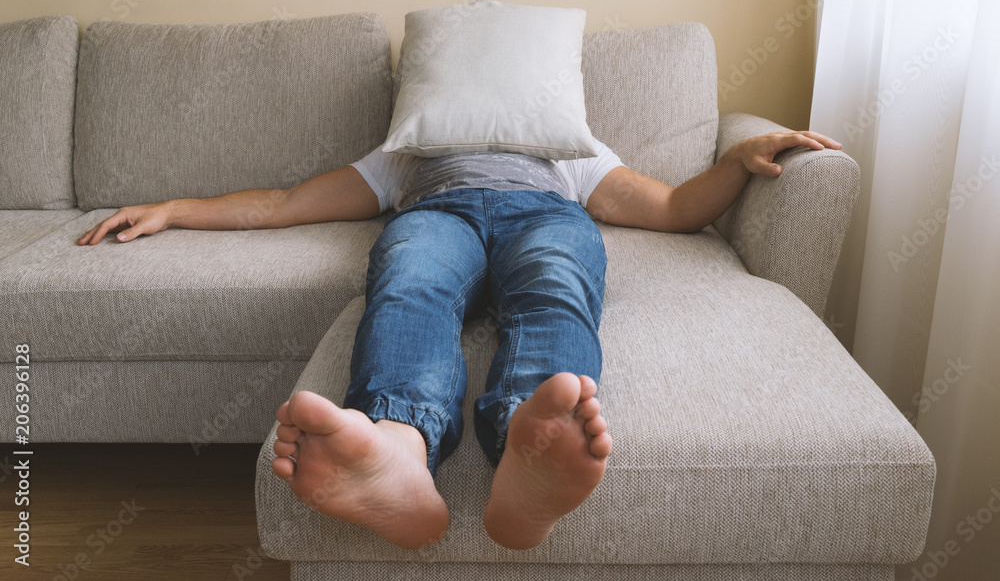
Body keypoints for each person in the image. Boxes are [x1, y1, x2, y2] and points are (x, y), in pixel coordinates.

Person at [77, 129, 841, 550]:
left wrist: (736, 164)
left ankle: (525, 447)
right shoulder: (409, 151)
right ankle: (397, 450)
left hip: (546, 215)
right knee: (410, 287)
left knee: (554, 289)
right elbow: (283, 204)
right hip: (434, 215)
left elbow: (674, 207)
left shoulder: (568, 149)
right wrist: (176, 207)